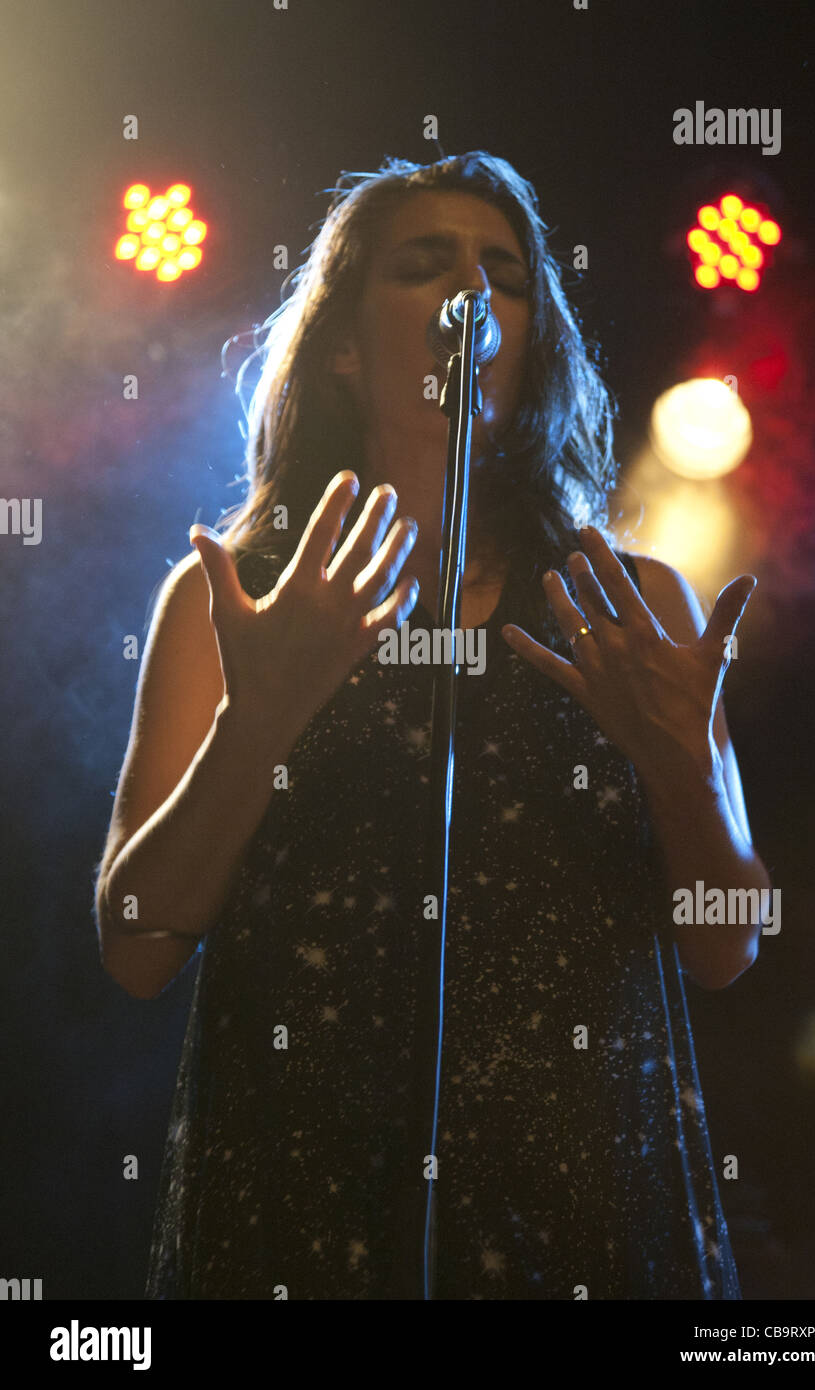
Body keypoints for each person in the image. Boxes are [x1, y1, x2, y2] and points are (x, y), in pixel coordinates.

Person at [94, 151, 770, 1300]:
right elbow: (136, 943)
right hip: (305, 1201)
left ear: (532, 338)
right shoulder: (237, 603)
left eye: (502, 274)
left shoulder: (627, 602)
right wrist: (254, 728)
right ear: (347, 347)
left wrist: (682, 775)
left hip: (578, 1199)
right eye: (426, 264)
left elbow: (725, 944)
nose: (472, 291)